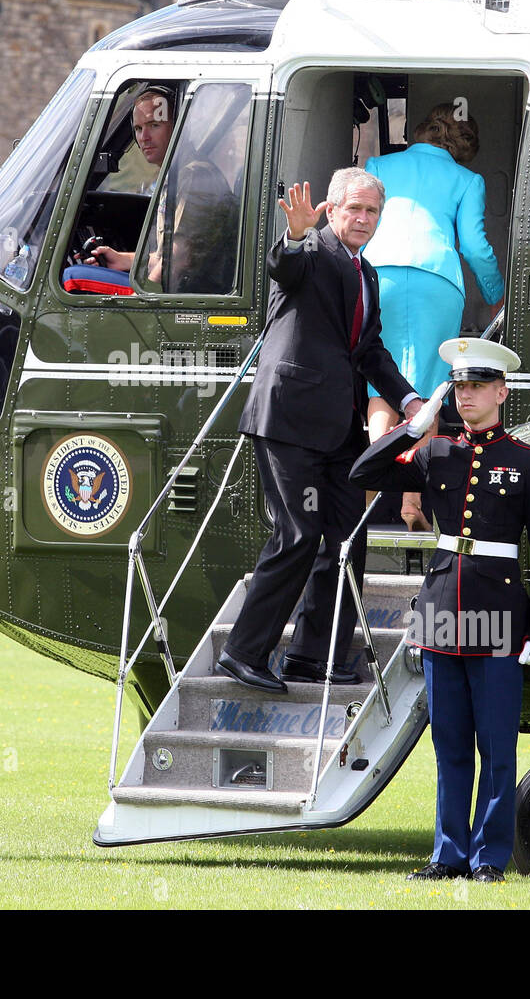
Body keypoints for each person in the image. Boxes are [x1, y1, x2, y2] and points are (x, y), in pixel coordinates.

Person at [349, 338, 530, 882]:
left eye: (476, 387)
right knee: (449, 745)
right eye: (460, 387)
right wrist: (418, 423)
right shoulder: (437, 452)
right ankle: (448, 855)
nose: (466, 397)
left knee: (495, 744)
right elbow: (364, 473)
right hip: (441, 609)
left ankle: (488, 857)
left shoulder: (528, 462)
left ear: (501, 392)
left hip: (498, 612)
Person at [217, 169, 422, 693]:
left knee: (345, 540)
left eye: (371, 211)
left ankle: (313, 657)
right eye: (352, 208)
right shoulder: (310, 251)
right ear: (330, 211)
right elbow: (283, 266)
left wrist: (407, 399)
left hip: (338, 433)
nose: (362, 219)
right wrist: (295, 235)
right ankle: (243, 651)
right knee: (299, 533)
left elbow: (369, 352)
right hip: (289, 422)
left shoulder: (367, 273)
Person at [363, 105, 505, 530]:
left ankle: (369, 495)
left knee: (381, 382)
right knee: (428, 391)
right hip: (436, 282)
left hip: (378, 273)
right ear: (463, 147)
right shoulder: (467, 180)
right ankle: (411, 502)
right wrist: (496, 295)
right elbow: (475, 248)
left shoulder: (378, 165)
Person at [80, 84, 236, 293]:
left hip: (189, 294)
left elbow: (179, 257)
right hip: (183, 287)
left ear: (180, 126)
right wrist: (123, 260)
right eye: (138, 128)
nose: (144, 137)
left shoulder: (194, 176)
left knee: (73, 278)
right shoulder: (176, 173)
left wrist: (141, 298)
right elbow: (166, 256)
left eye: (154, 125)